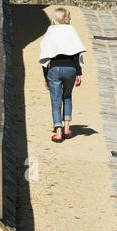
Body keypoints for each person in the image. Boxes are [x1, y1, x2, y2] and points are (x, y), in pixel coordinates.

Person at [38, 8, 88, 143]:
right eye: (68, 17)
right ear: (64, 18)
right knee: (67, 96)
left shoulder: (50, 31)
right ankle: (67, 128)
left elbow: (45, 53)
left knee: (55, 100)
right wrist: (79, 73)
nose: (70, 20)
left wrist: (45, 76)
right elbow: (76, 53)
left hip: (54, 68)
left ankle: (58, 132)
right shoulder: (71, 30)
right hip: (70, 68)